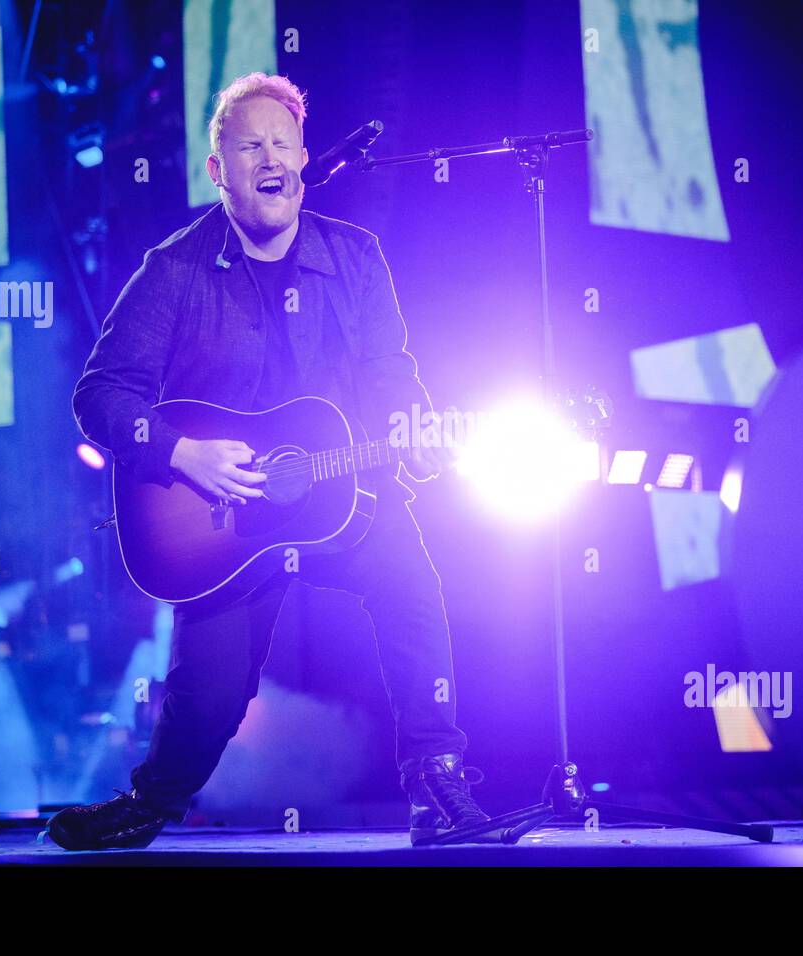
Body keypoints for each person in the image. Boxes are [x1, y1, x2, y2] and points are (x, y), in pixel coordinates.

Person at [47, 72, 496, 850]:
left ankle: (435, 779)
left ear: (301, 161)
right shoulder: (175, 268)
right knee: (210, 698)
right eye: (250, 144)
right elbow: (101, 394)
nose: (271, 157)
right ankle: (149, 805)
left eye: (283, 144)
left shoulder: (356, 260)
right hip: (220, 525)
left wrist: (412, 429)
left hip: (343, 497)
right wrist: (181, 451)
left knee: (415, 595)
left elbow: (394, 377)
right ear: (218, 168)